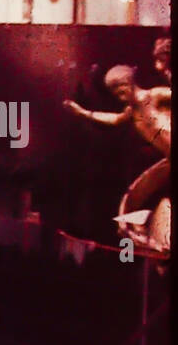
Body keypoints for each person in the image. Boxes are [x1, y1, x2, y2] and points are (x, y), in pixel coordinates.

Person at [64, 64, 171, 251]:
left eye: (118, 87)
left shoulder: (153, 96)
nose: (116, 93)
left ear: (128, 82)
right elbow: (114, 119)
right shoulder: (131, 112)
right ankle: (155, 240)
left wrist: (165, 71)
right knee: (131, 205)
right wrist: (83, 113)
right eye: (112, 90)